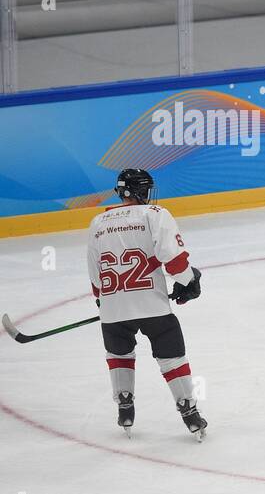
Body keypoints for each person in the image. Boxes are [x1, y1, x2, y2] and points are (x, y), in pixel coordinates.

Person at [86, 169, 206, 439]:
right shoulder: (155, 214)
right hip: (152, 306)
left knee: (119, 355)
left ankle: (125, 406)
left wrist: (103, 300)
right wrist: (189, 281)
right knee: (171, 356)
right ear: (141, 191)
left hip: (113, 308)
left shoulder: (97, 222)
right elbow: (173, 261)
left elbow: (95, 274)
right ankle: (190, 412)